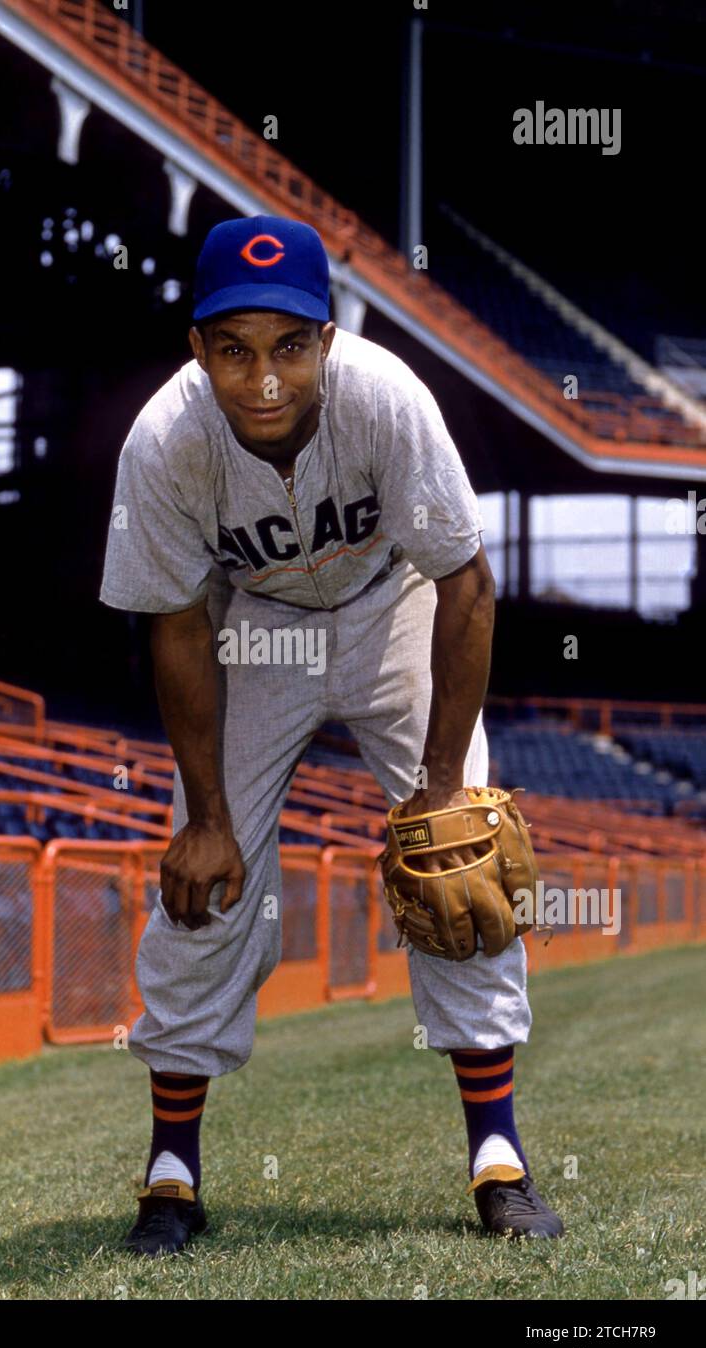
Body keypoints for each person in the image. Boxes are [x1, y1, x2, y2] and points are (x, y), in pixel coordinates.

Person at [100, 214, 563, 1255]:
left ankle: (498, 1159)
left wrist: (440, 784)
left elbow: (465, 584)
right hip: (255, 625)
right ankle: (172, 1172)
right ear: (197, 349)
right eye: (234, 349)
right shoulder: (164, 441)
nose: (263, 379)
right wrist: (210, 817)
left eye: (287, 346)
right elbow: (174, 625)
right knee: (201, 875)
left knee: (459, 862)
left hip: (391, 604)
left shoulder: (386, 399)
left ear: (326, 336)